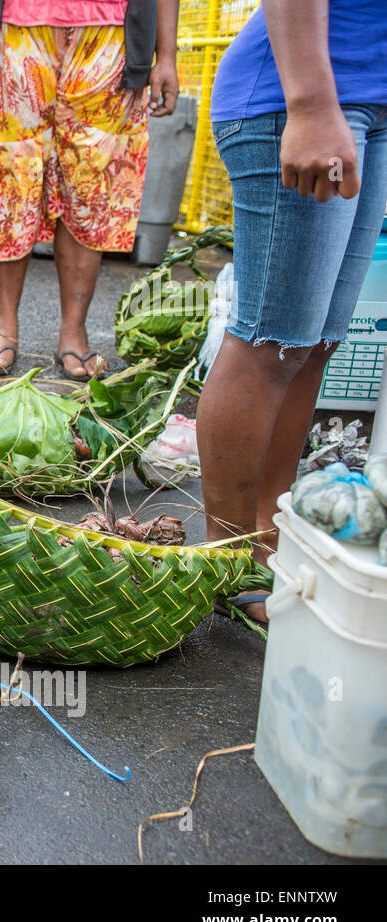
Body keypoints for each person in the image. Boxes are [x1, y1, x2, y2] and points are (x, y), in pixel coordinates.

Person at [197, 0, 387, 624]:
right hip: (304, 98)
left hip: (370, 108)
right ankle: (224, 559)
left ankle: (267, 537)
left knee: (315, 344)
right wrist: (309, 106)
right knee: (269, 342)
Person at [0, 0, 179, 381]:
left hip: (112, 37)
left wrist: (167, 55)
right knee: (7, 183)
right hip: (14, 31)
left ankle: (73, 329)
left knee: (91, 189)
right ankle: (5, 323)